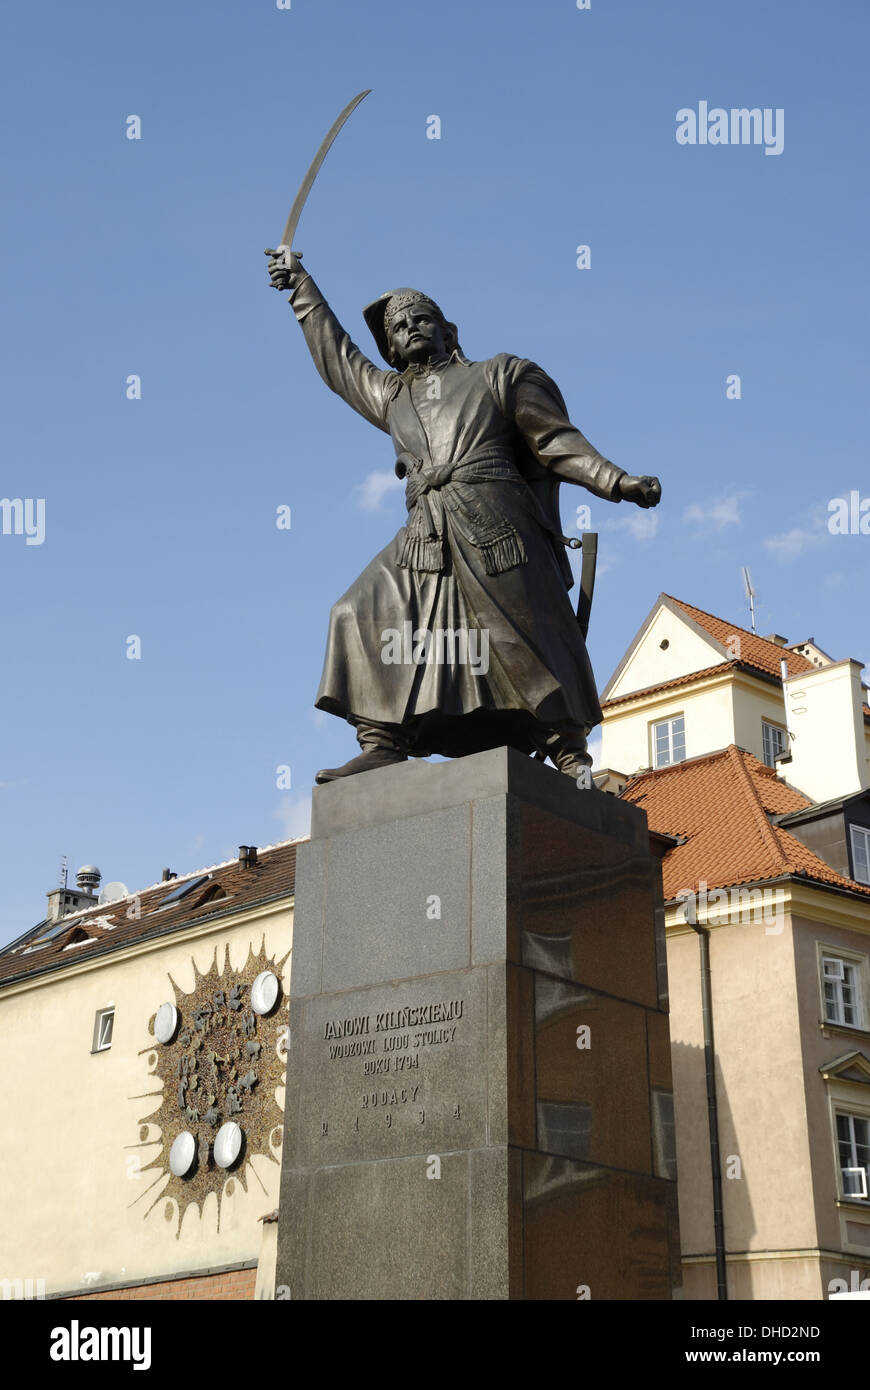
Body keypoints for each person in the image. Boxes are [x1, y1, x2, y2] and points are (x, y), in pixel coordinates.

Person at [266, 247, 661, 783]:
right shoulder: (390, 395)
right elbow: (339, 361)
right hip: (425, 533)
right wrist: (301, 290)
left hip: (496, 521)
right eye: (397, 326)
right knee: (357, 611)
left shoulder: (502, 374)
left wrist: (616, 481)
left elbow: (556, 442)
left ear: (449, 331)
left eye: (419, 318)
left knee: (526, 631)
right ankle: (384, 739)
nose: (408, 327)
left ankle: (568, 750)